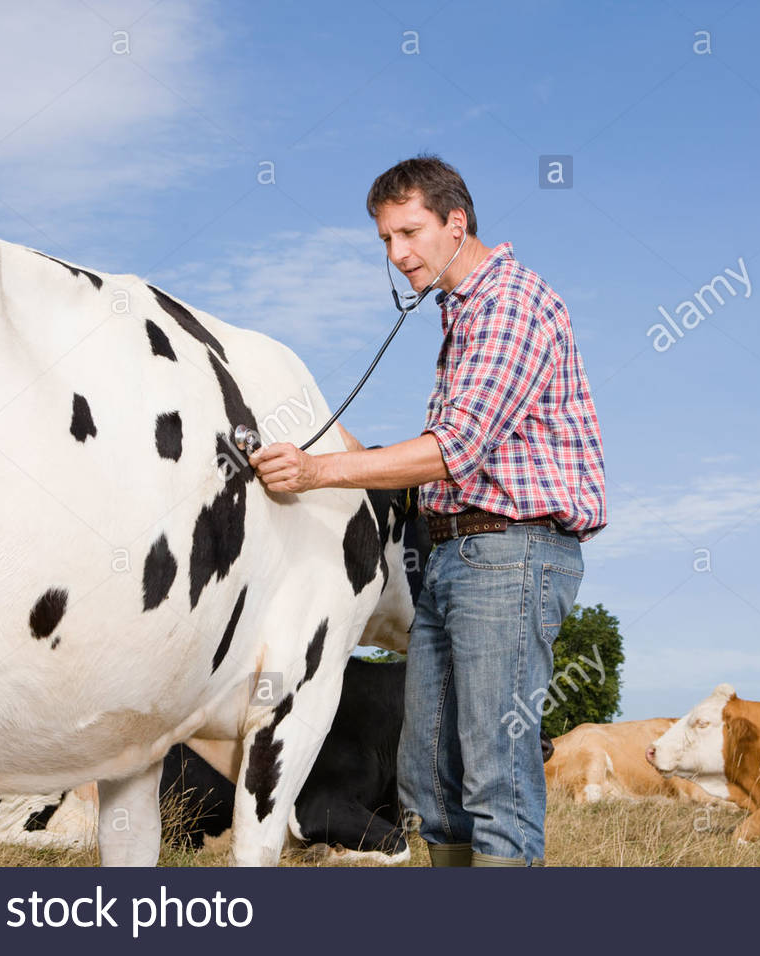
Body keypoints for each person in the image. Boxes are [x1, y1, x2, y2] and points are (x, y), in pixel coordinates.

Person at [249, 155, 606, 866]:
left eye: (410, 233)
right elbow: (435, 469)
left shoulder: (508, 301)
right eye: (385, 240)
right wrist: (331, 440)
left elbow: (455, 448)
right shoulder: (462, 313)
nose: (398, 254)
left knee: (494, 777)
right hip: (454, 555)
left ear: (456, 223)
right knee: (429, 781)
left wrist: (320, 469)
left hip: (511, 552)